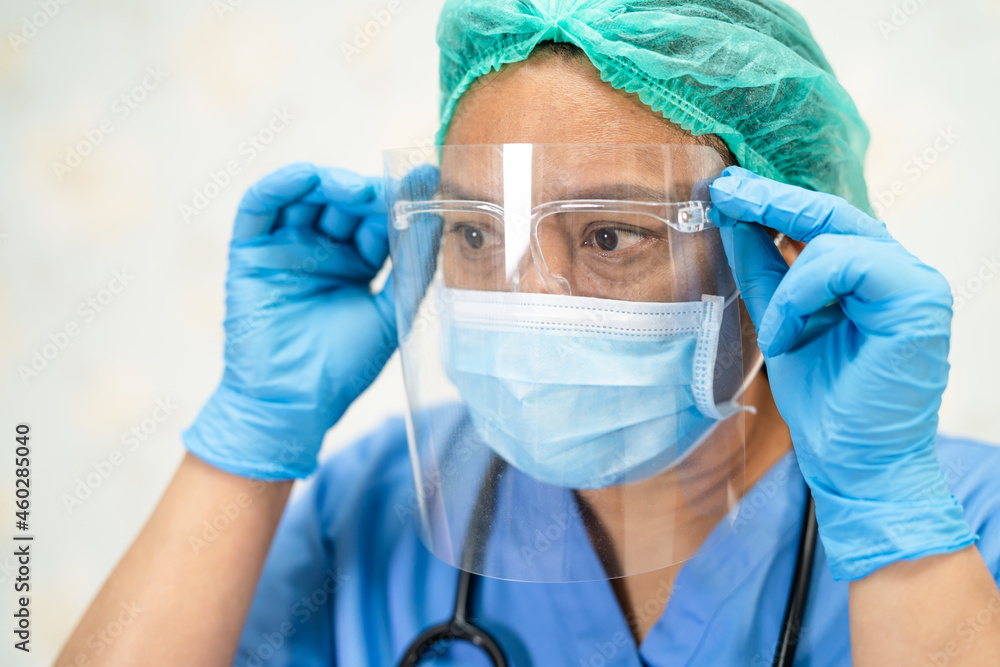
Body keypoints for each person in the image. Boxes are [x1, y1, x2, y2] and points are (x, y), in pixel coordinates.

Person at [55, 1, 1000, 665]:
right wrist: (248, 437)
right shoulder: (382, 504)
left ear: (781, 242)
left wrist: (892, 522)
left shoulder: (961, 520)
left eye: (608, 234)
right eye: (474, 231)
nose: (529, 295)